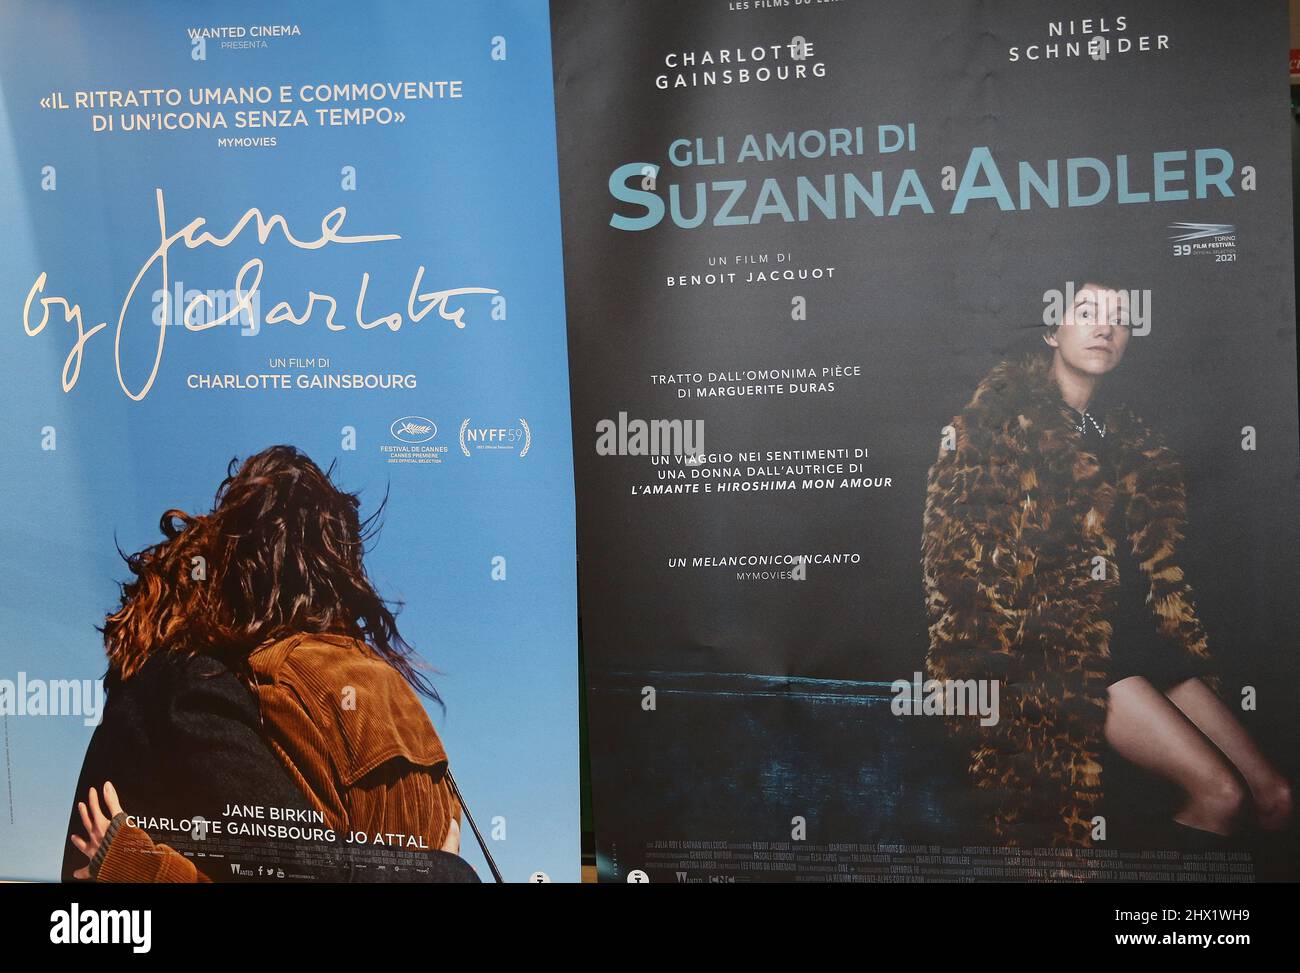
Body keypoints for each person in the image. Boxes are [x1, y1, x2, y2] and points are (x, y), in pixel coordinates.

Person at [922, 282, 1292, 848]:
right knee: (1221, 795)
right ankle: (1162, 935)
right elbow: (954, 568)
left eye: (1121, 317)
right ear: (1051, 331)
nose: (1106, 327)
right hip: (1067, 651)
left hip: (1143, 638)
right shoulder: (989, 429)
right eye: (1088, 312)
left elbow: (1152, 560)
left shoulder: (1128, 438)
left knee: (1275, 798)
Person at [65, 445, 470, 882]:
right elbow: (302, 866)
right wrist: (443, 872)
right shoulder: (192, 685)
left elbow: (291, 864)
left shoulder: (181, 681)